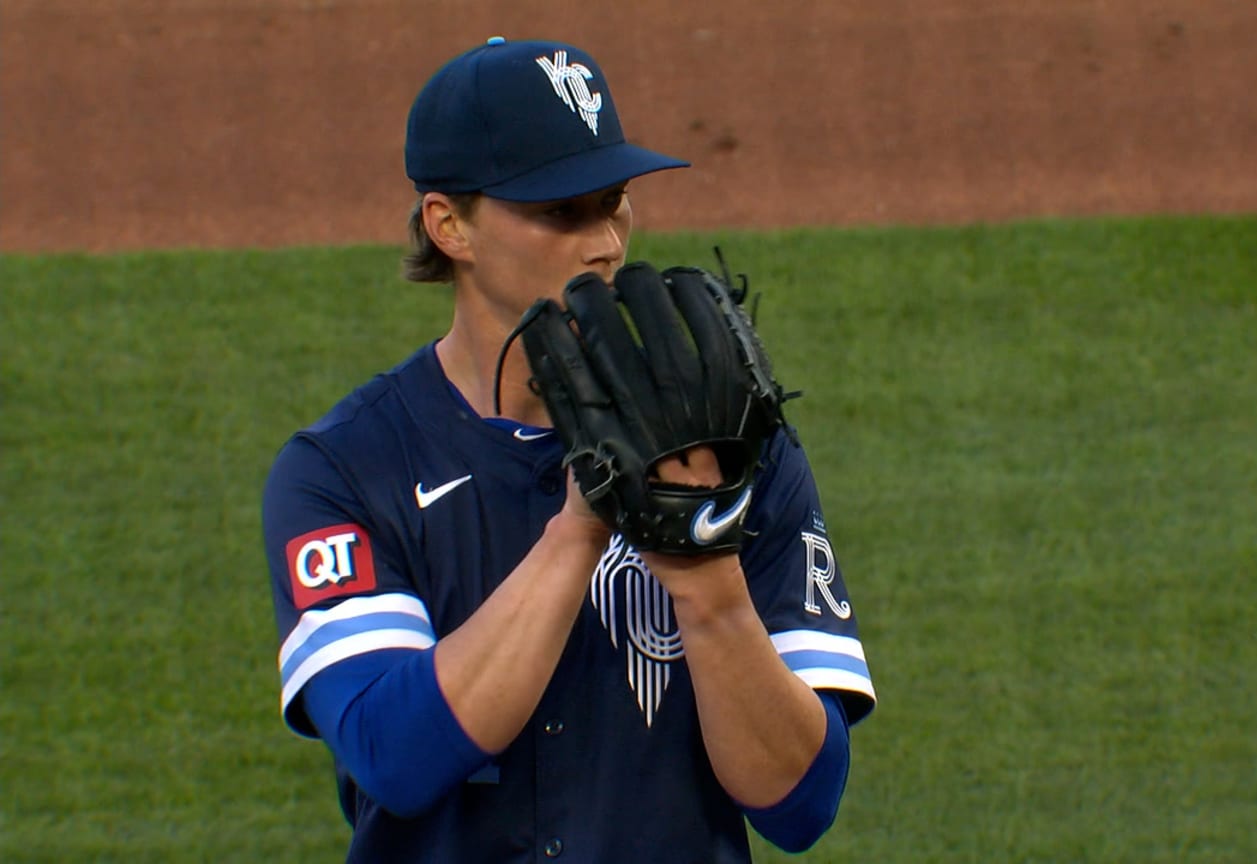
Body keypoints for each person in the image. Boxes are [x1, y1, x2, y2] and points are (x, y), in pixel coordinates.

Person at [261, 37, 876, 863]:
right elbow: (394, 756)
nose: (605, 242)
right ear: (450, 225)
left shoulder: (726, 449)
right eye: (560, 212)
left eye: (613, 202)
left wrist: (707, 579)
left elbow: (801, 805)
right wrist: (584, 524)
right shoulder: (347, 468)